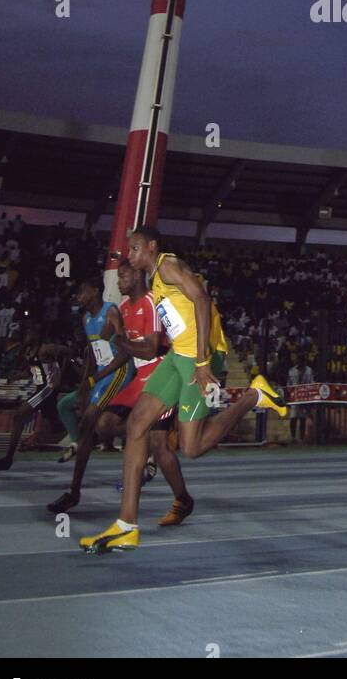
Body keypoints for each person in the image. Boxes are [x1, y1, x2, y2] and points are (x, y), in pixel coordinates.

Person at [80, 225, 287, 553]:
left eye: (134, 249)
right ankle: (125, 525)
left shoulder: (167, 265)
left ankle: (254, 395)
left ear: (150, 247)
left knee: (191, 447)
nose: (130, 255)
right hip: (178, 355)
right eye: (128, 250)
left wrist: (204, 362)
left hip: (197, 359)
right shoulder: (155, 280)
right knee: (137, 424)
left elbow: (202, 298)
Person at [48, 261, 190, 522]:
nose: (118, 281)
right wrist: (93, 375)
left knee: (159, 444)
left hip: (161, 376)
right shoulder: (123, 307)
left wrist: (116, 342)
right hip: (138, 377)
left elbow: (149, 349)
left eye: (122, 276)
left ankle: (182, 499)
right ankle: (78, 488)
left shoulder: (150, 302)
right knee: (102, 423)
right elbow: (120, 349)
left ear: (137, 276)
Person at [42, 277, 135, 504]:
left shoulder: (111, 312)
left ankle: (74, 492)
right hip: (102, 374)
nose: (79, 297)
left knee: (90, 421)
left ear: (95, 291)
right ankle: (74, 490)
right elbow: (93, 354)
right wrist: (84, 384)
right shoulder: (86, 319)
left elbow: (124, 354)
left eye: (82, 291)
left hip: (120, 370)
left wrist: (96, 378)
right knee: (89, 424)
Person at [0, 334, 66, 471]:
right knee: (27, 419)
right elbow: (35, 373)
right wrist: (17, 377)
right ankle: (8, 458)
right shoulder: (30, 352)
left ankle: (8, 459)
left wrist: (60, 373)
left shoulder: (45, 348)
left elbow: (68, 351)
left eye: (30, 333)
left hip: (48, 388)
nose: (27, 336)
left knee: (19, 415)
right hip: (42, 388)